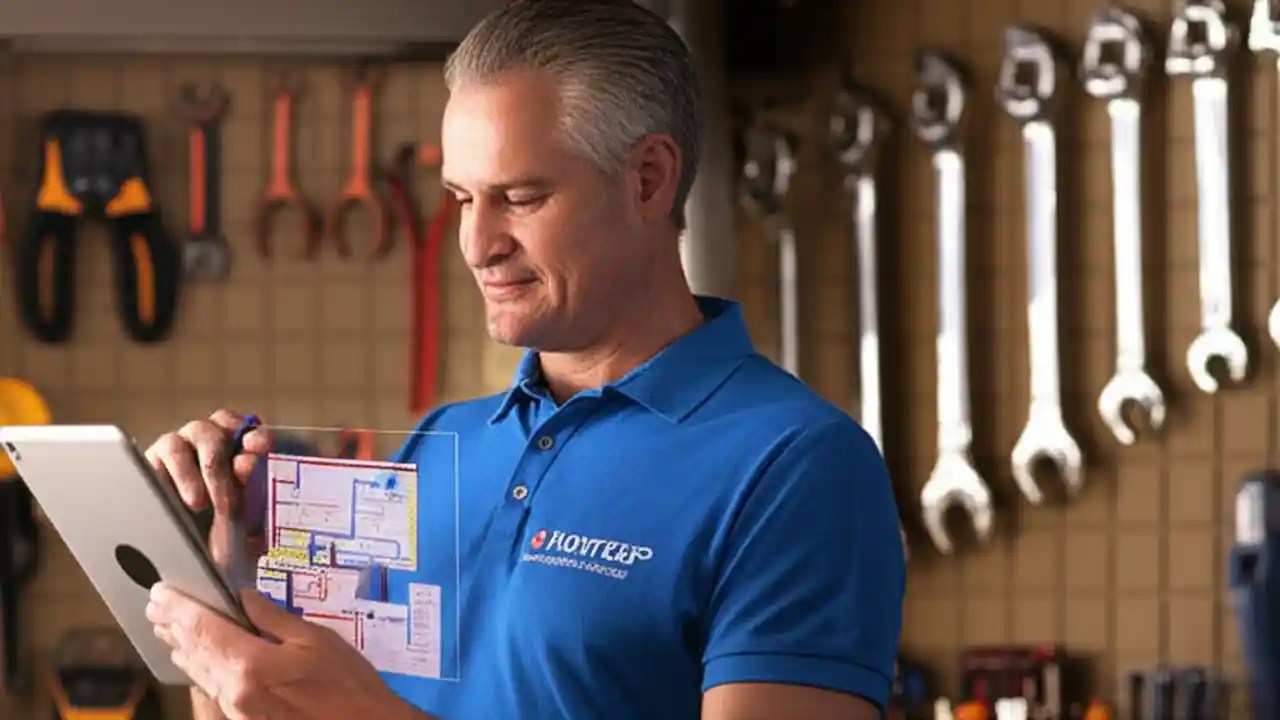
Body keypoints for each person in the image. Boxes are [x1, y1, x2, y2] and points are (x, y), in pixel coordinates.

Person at [142, 1, 906, 718]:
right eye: (462, 199)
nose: (478, 246)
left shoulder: (797, 465)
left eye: (521, 197)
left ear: (648, 179)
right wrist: (224, 580)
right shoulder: (442, 442)